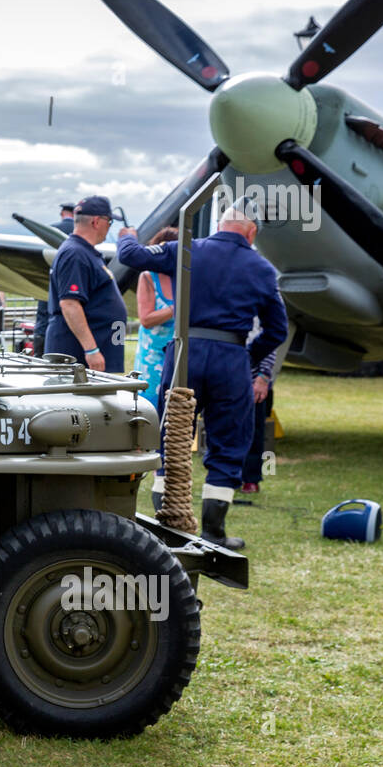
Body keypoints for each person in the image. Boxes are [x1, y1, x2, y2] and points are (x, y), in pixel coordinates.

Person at [117, 204, 288, 549]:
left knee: (173, 437)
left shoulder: (186, 249)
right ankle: (214, 531)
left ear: (221, 225)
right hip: (231, 360)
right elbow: (276, 329)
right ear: (252, 233)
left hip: (184, 354)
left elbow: (132, 256)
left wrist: (126, 237)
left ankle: (166, 524)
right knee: (228, 442)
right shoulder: (262, 268)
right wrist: (246, 358)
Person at [43, 196, 128, 372]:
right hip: (79, 356)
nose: (110, 226)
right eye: (110, 221)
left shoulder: (84, 252)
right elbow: (70, 303)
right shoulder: (75, 254)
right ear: (97, 222)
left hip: (94, 353)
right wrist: (91, 350)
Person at [134, 226, 178, 408]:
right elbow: (146, 319)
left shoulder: (184, 277)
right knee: (151, 406)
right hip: (153, 358)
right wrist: (176, 308)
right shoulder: (148, 277)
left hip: (178, 354)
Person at [31, 201, 75, 354]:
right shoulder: (78, 231)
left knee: (43, 319)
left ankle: (39, 353)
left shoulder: (50, 230)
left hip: (48, 281)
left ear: (62, 214)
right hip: (73, 283)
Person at [241, 330, 279, 494]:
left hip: (255, 380)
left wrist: (263, 376)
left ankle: (251, 479)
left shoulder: (260, 306)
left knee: (254, 432)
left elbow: (273, 335)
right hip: (225, 376)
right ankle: (227, 477)